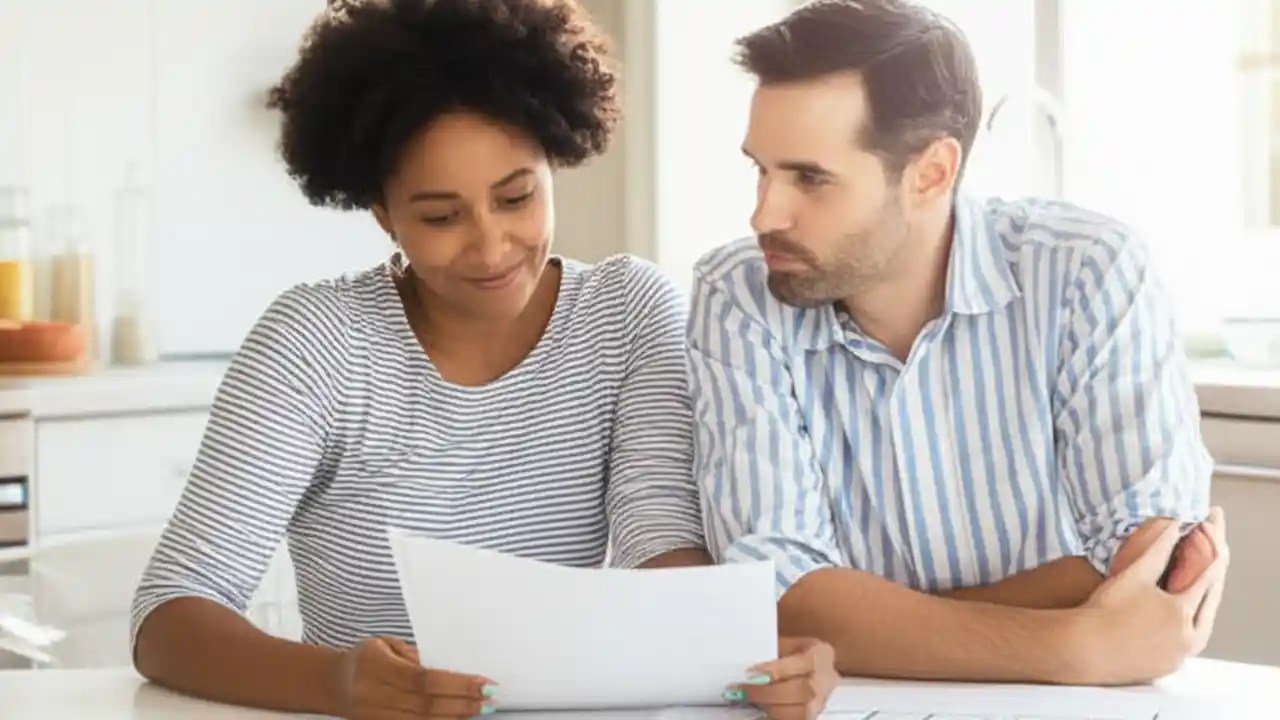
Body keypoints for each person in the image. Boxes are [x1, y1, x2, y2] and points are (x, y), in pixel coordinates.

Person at [130, 1, 836, 718]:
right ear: (382, 212)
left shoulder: (626, 312)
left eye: (516, 197)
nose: (492, 246)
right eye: (441, 216)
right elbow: (169, 617)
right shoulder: (316, 343)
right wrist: (337, 683)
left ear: (554, 162)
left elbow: (661, 547)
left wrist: (744, 653)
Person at [689, 0, 1229, 685]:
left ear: (932, 173)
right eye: (760, 170)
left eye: (810, 178)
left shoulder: (1088, 271)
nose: (764, 213)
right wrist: (1075, 646)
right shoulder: (738, 295)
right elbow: (775, 592)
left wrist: (858, 620)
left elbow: (1150, 567)